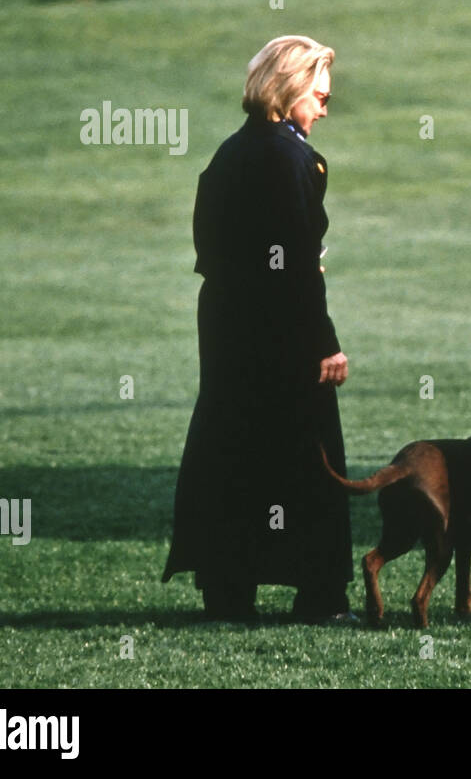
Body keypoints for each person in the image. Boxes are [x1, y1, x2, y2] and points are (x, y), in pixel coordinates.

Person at [162, 35, 354, 622]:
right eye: (319, 94)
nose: (325, 106)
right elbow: (297, 261)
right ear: (291, 90)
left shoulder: (227, 154)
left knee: (232, 450)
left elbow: (210, 250)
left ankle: (227, 585)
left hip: (226, 325)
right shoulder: (294, 159)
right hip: (284, 333)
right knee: (308, 453)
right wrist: (325, 343)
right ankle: (318, 592)